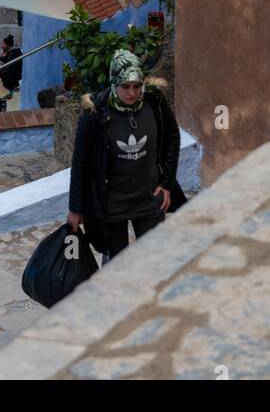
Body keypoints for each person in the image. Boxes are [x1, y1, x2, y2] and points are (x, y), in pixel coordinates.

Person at [67, 48, 184, 261]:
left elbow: (172, 139)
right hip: (111, 206)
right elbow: (80, 162)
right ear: (114, 83)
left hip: (149, 201)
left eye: (137, 86)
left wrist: (166, 184)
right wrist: (75, 208)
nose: (132, 93)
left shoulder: (154, 101)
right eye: (125, 86)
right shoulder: (96, 112)